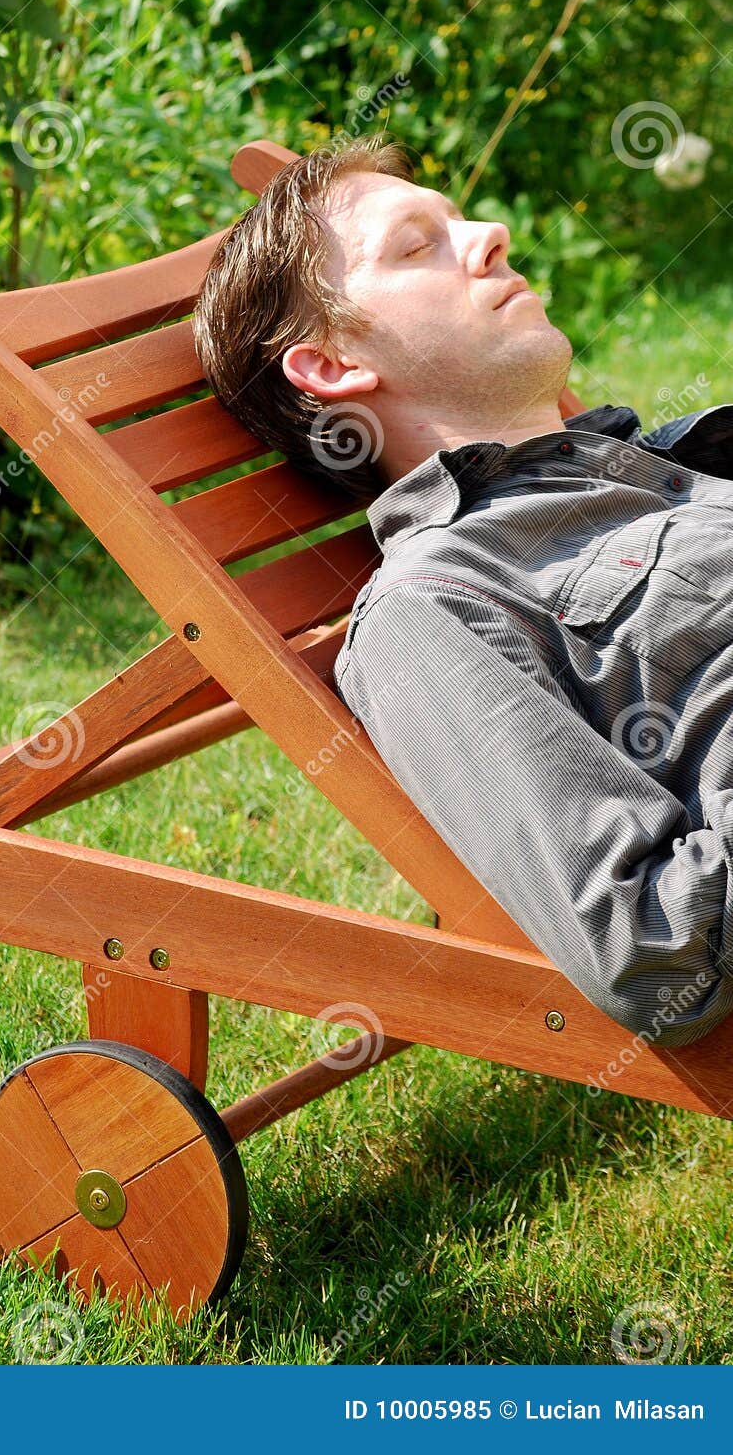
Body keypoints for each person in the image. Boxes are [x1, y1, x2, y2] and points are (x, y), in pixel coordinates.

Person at [191, 135, 733, 1050]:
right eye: (416, 246)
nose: (490, 233)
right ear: (329, 366)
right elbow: (653, 951)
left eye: (459, 219)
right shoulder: (432, 607)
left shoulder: (661, 471)